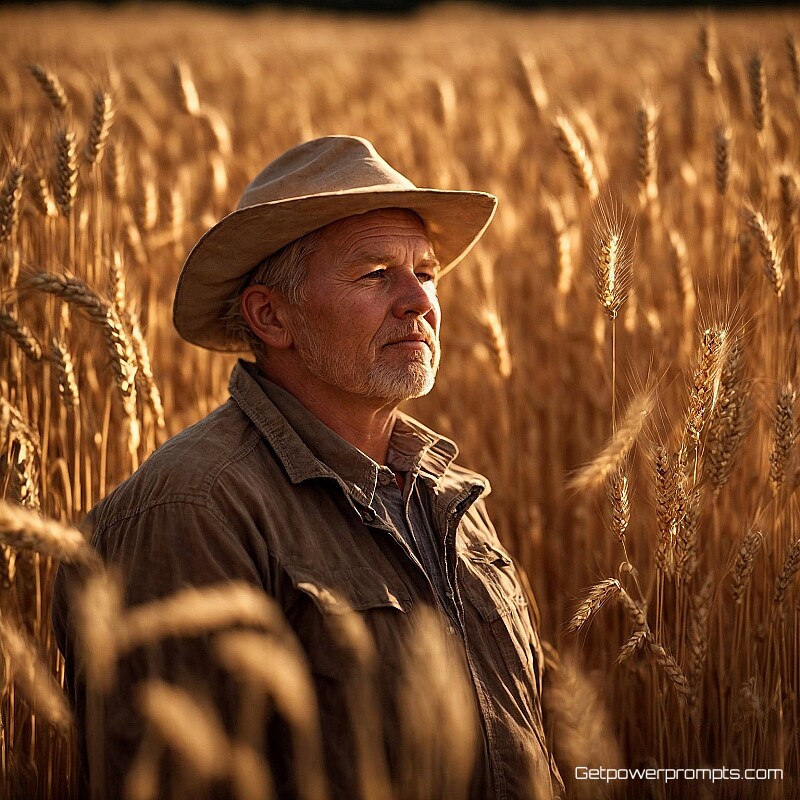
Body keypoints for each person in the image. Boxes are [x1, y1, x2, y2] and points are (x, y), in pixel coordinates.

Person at [53, 135, 564, 800]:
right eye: (376, 274)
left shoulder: (451, 496)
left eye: (427, 272)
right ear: (272, 316)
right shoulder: (194, 511)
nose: (419, 302)